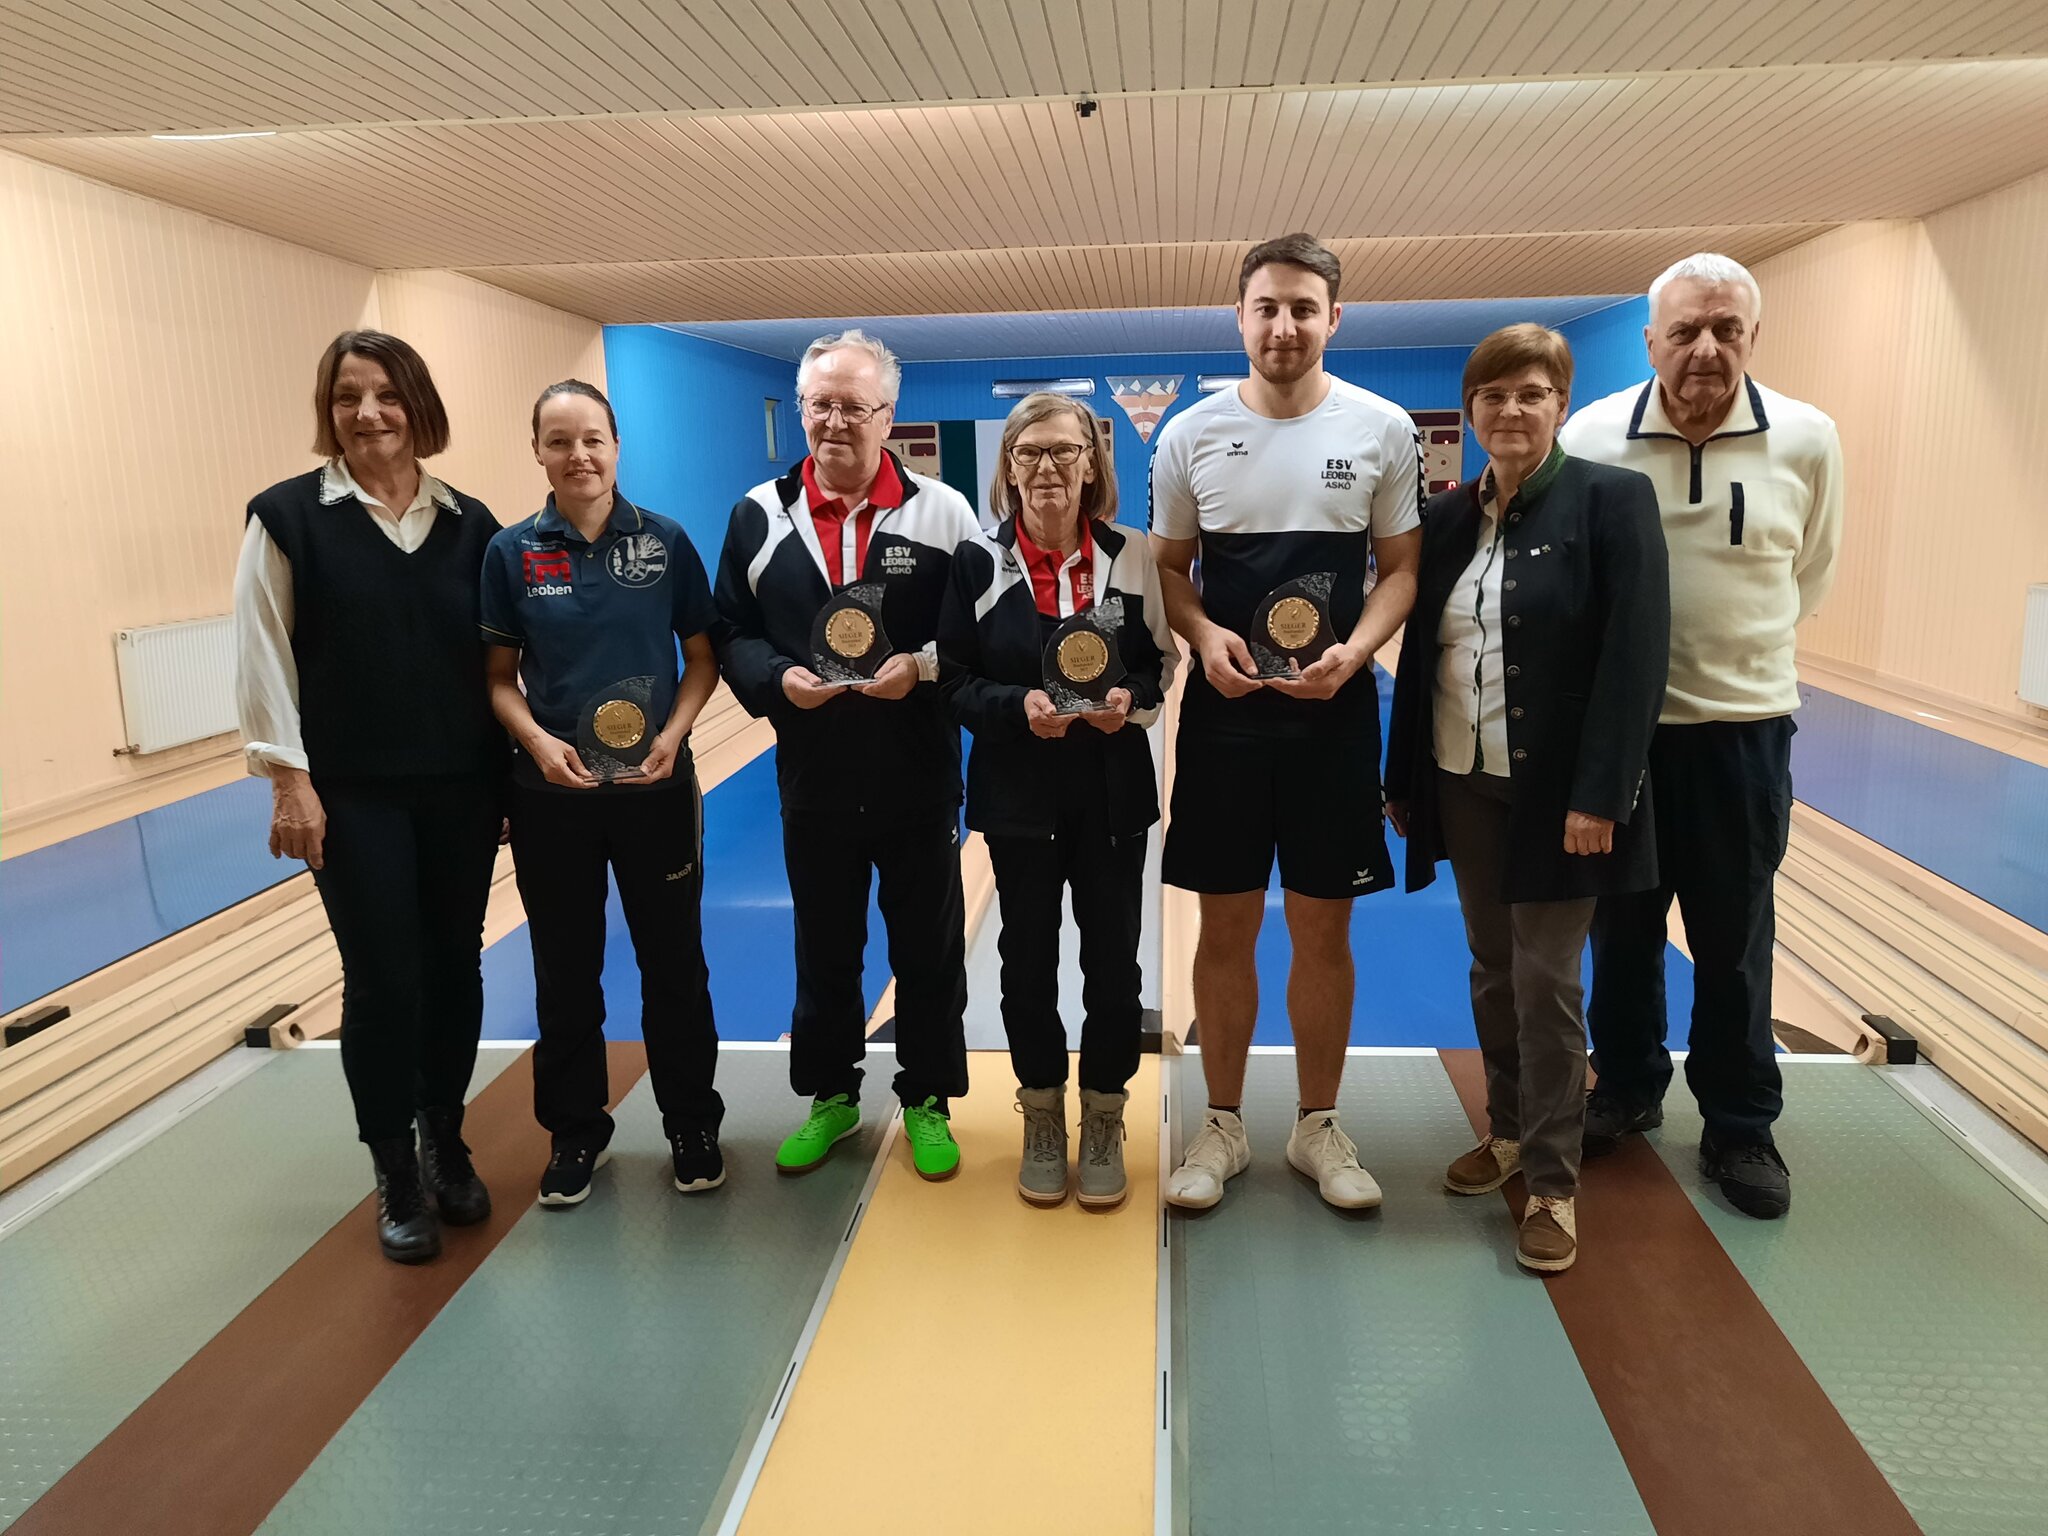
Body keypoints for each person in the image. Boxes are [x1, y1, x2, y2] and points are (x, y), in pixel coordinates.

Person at [1559, 253, 1845, 1219]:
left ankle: (1740, 1124)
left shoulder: (1807, 439)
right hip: (1623, 741)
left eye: (1727, 329)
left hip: (1741, 735)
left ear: (1753, 338)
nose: (1707, 349)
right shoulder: (1592, 435)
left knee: (1733, 941)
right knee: (1623, 933)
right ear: (1651, 342)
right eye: (1686, 331)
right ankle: (1631, 1089)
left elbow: (1810, 575)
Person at [1386, 324, 1669, 1272]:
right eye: (1495, 395)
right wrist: (1405, 780)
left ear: (1560, 405)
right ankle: (1508, 1130)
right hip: (1462, 780)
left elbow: (1636, 659)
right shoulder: (1446, 516)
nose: (1512, 410)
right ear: (1470, 411)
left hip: (1560, 797)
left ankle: (1553, 1180)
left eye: (1533, 394)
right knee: (1492, 966)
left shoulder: (1612, 501)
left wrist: (1602, 794)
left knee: (1548, 980)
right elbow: (1421, 656)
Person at [1151, 233, 1423, 1212]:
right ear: (1238, 317)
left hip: (1333, 718)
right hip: (1225, 718)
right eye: (1265, 307)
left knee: (1323, 929)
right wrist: (1200, 638)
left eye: (1302, 308)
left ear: (1332, 318)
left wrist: (1357, 655)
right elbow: (1171, 575)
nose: (1282, 325)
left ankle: (1316, 1127)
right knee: (1222, 927)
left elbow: (1398, 570)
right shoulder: (1186, 436)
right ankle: (1220, 1125)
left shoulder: (1384, 429)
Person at [234, 330, 504, 1264]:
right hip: (352, 796)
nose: (368, 413)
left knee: (454, 968)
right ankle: (394, 1166)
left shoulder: (474, 523)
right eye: (349, 397)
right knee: (385, 977)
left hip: (463, 787)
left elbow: (501, 661)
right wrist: (289, 782)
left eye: (386, 394)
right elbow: (263, 655)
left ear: (418, 405)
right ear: (330, 412)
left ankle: (445, 1136)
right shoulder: (286, 518)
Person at [712, 331, 981, 1181]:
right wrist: (778, 679)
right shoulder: (758, 511)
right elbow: (730, 632)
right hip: (814, 775)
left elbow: (976, 635)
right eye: (819, 405)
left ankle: (928, 1097)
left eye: (852, 406)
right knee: (825, 946)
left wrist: (924, 668)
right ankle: (831, 1096)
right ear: (801, 411)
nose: (834, 422)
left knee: (928, 950)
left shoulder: (944, 510)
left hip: (917, 771)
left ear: (888, 416)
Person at [479, 380, 725, 1207]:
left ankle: (692, 1123)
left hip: (654, 787)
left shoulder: (666, 541)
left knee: (674, 965)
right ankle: (575, 1132)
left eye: (592, 439)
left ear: (617, 446)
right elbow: (498, 680)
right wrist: (540, 746)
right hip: (551, 793)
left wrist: (673, 735)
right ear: (538, 451)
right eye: (559, 440)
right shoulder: (511, 553)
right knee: (566, 970)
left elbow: (700, 660)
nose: (577, 455)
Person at [938, 394, 1177, 1208]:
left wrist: (1128, 699)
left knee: (1114, 966)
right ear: (1008, 467)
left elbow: (1158, 667)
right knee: (1026, 964)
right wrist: (1017, 709)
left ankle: (1104, 1113)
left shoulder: (1133, 553)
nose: (1047, 468)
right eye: (1030, 453)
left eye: (1064, 452)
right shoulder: (977, 562)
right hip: (1019, 793)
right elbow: (956, 681)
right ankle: (1042, 1112)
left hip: (1112, 792)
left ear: (1091, 465)